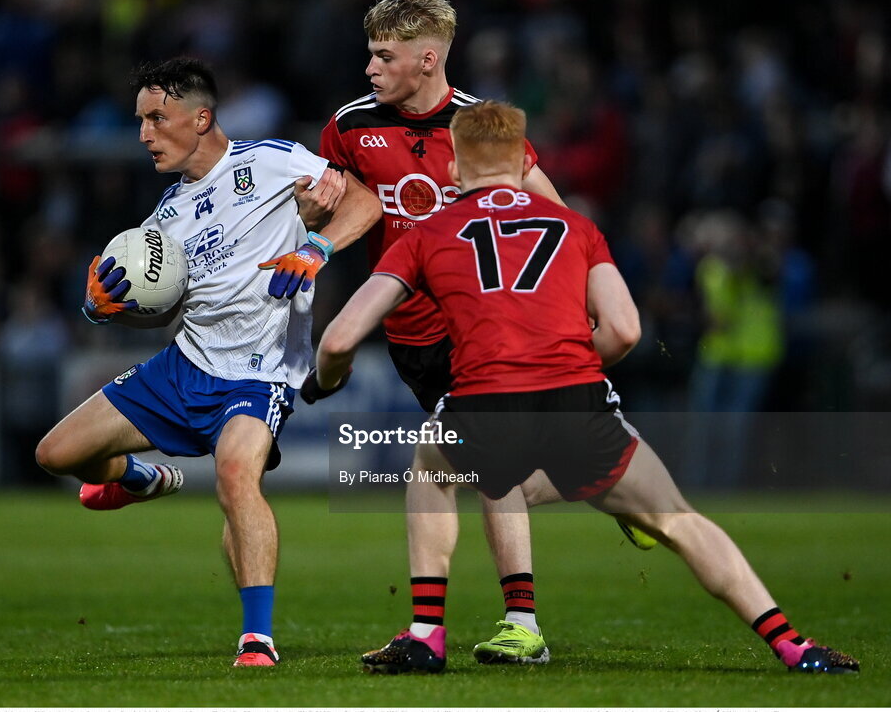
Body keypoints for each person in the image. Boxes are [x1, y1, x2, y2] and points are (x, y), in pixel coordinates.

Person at [306, 100, 858, 675]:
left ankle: (426, 634)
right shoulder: (578, 228)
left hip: (483, 399)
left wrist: (325, 381)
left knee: (434, 468)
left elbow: (341, 340)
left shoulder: (425, 236)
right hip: (579, 400)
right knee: (676, 519)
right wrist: (562, 361)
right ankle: (794, 645)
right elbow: (624, 330)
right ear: (523, 161)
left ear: (452, 172)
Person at [293, 0, 655, 669]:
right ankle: (617, 487)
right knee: (477, 467)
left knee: (474, 466)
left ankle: (498, 624)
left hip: (481, 328)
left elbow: (554, 214)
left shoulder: (479, 129)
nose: (369, 68)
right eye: (368, 55)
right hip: (412, 339)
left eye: (382, 55)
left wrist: (581, 295)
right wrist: (313, 224)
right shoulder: (348, 127)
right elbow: (344, 206)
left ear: (427, 59)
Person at [35, 57, 380, 667]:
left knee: (235, 476)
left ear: (201, 118)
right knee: (54, 455)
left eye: (155, 118)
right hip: (184, 365)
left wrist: (317, 247)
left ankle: (257, 638)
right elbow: (162, 311)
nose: (143, 134)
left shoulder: (272, 161)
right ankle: (137, 478)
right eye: (139, 120)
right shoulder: (164, 216)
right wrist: (102, 309)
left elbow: (365, 204)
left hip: (259, 371)